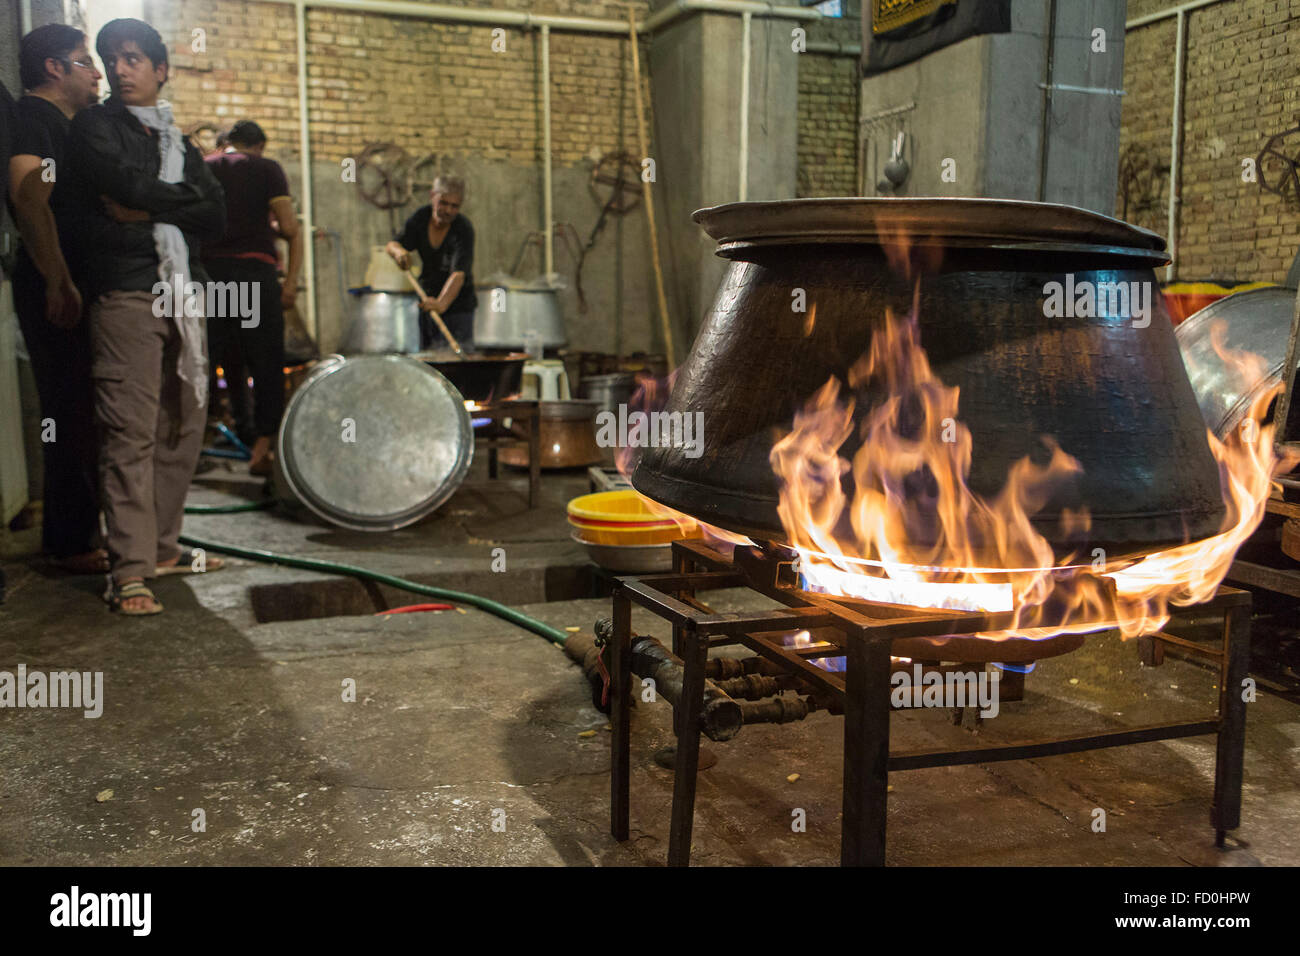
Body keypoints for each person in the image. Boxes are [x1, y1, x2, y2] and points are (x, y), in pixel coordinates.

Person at [67, 18, 227, 615]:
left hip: (184, 292)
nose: (121, 68)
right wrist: (178, 208)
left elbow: (217, 214)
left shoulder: (180, 142)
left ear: (162, 69)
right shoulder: (95, 126)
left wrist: (149, 210)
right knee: (130, 429)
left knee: (183, 421)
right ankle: (128, 570)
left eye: (134, 58)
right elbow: (118, 181)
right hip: (128, 286)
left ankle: (162, 546)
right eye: (112, 59)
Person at [7, 25, 106, 574]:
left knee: (79, 408)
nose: (96, 73)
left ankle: (79, 532)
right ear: (54, 69)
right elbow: (28, 194)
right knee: (69, 409)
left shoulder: (63, 126)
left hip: (64, 280)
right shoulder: (38, 119)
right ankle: (70, 543)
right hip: (55, 285)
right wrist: (58, 278)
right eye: (84, 61)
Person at [201, 119, 301, 475]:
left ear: (227, 142)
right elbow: (290, 228)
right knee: (266, 361)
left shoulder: (204, 166)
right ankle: (262, 447)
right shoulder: (266, 169)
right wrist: (289, 283)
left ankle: (197, 441)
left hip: (211, 276)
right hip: (254, 277)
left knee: (213, 359)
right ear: (258, 145)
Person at [385, 175, 477, 350]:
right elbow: (392, 245)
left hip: (458, 306)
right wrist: (399, 252)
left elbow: (458, 274)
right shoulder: (420, 218)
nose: (448, 210)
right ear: (432, 195)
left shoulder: (463, 229)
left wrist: (442, 304)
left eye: (454, 206)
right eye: (443, 203)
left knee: (459, 361)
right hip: (428, 300)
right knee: (430, 359)